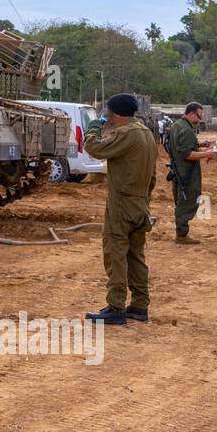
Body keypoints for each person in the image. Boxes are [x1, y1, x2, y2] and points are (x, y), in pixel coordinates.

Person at [80, 93, 159, 324]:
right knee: (136, 256)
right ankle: (139, 305)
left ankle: (115, 307)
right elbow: (153, 176)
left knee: (116, 253)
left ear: (117, 114)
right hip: (140, 202)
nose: (107, 116)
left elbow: (94, 148)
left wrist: (93, 128)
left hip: (122, 204)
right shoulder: (147, 134)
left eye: (109, 112)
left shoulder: (127, 133)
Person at [165, 102, 217, 244]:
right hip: (186, 173)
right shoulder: (187, 130)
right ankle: (181, 235)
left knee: (181, 200)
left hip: (177, 170)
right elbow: (187, 154)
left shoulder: (176, 126)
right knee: (187, 201)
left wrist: (200, 145)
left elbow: (178, 145)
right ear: (191, 113)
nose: (199, 120)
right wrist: (208, 153)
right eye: (199, 116)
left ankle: (181, 232)